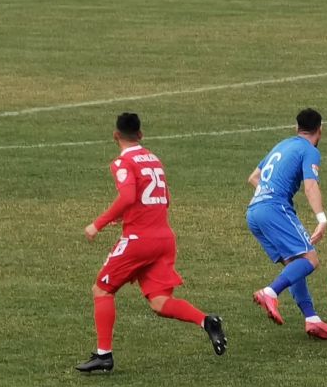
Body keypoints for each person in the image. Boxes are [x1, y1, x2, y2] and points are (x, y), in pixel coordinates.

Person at [78, 113, 227, 373]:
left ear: (116, 136)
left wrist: (98, 224)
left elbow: (127, 197)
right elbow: (164, 198)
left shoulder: (123, 162)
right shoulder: (154, 159)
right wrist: (129, 214)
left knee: (102, 289)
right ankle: (206, 321)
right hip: (164, 239)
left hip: (139, 240)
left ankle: (104, 355)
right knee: (159, 301)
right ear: (141, 135)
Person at [246, 109, 327, 340]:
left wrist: (266, 195)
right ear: (320, 130)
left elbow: (254, 177)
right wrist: (321, 219)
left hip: (254, 211)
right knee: (310, 260)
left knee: (294, 265)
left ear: (297, 129)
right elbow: (310, 186)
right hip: (274, 209)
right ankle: (270, 292)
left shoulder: (283, 144)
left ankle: (312, 319)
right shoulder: (309, 150)